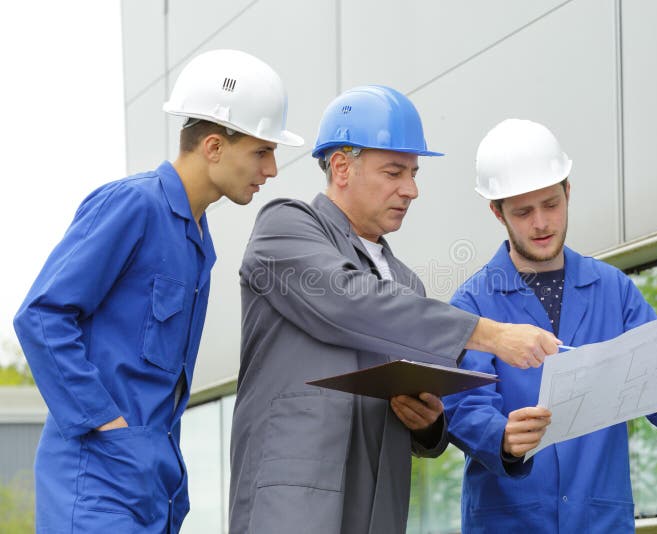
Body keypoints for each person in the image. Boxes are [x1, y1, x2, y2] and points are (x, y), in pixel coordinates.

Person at [228, 86, 562, 534]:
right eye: (394, 172)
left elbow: (425, 432)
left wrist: (428, 424)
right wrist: (491, 334)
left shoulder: (406, 283)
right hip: (292, 509)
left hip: (377, 510)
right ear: (342, 167)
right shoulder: (285, 227)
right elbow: (349, 301)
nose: (412, 189)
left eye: (414, 173)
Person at [13, 49, 303, 533]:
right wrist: (108, 426)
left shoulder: (197, 242)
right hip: (96, 482)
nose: (271, 170)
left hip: (153, 487)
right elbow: (41, 316)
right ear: (213, 146)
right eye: (261, 151)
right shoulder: (133, 205)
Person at [442, 119, 657, 533]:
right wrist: (501, 436)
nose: (541, 223)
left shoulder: (615, 291)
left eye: (551, 204)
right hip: (511, 521)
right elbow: (462, 409)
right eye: (523, 211)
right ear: (497, 212)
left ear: (568, 192)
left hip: (600, 521)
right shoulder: (472, 305)